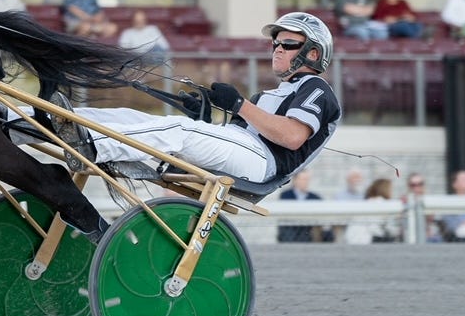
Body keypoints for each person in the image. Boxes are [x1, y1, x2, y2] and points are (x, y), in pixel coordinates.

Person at [63, 13, 341, 216]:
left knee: (178, 130)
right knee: (133, 117)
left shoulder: (316, 88)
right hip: (246, 152)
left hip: (264, 164)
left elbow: (292, 136)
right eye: (275, 43)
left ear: (313, 54)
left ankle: (90, 144)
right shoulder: (268, 96)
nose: (278, 48)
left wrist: (240, 104)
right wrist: (202, 117)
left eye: (288, 43)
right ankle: (42, 119)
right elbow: (230, 142)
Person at [277, 169, 325, 242]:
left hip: (308, 229)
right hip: (291, 228)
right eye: (303, 179)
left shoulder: (315, 197)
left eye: (307, 179)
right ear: (295, 180)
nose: (305, 182)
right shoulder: (285, 195)